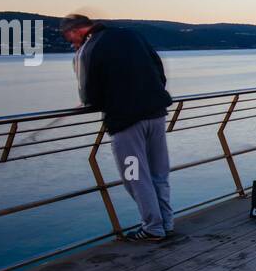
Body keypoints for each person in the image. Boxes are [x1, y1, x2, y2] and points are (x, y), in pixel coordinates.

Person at [63, 14, 174, 242]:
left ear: (77, 30)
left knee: (135, 176)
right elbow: (159, 70)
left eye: (69, 37)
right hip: (156, 114)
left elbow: (90, 94)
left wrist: (91, 103)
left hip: (126, 123)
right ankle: (166, 223)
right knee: (158, 174)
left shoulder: (88, 49)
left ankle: (153, 227)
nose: (71, 43)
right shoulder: (131, 35)